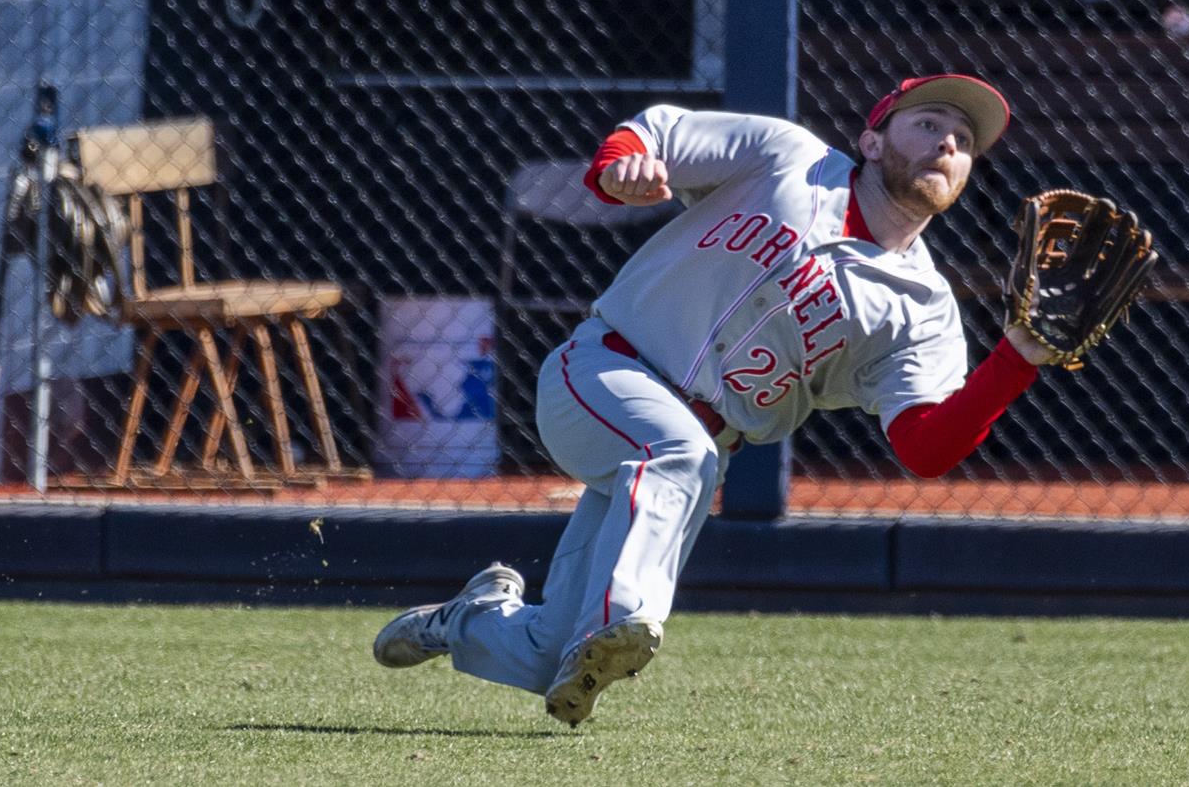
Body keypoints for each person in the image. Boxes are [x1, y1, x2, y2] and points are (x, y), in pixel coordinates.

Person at [373, 74, 1059, 726]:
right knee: (675, 457)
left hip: (689, 455)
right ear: (873, 140)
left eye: (964, 140)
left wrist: (1018, 359)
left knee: (551, 648)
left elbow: (926, 444)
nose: (947, 142)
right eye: (929, 122)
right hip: (605, 372)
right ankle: (626, 618)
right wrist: (623, 166)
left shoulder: (925, 308)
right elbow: (661, 133)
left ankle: (476, 617)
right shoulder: (790, 158)